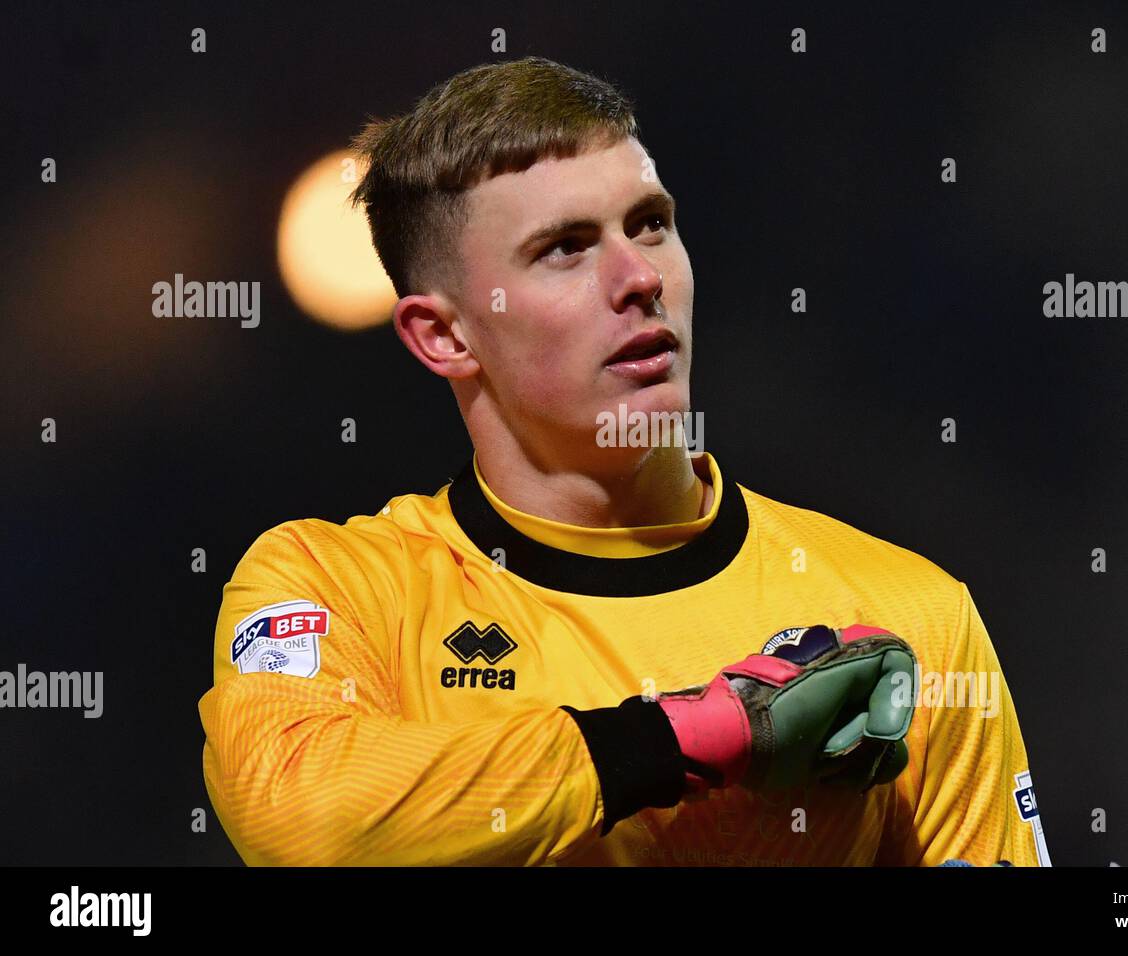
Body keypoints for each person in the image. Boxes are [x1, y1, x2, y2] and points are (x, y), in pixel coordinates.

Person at [197, 56, 1050, 867]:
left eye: (650, 224)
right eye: (564, 247)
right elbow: (304, 819)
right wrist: (704, 735)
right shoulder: (334, 587)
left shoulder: (913, 611)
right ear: (446, 335)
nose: (638, 276)